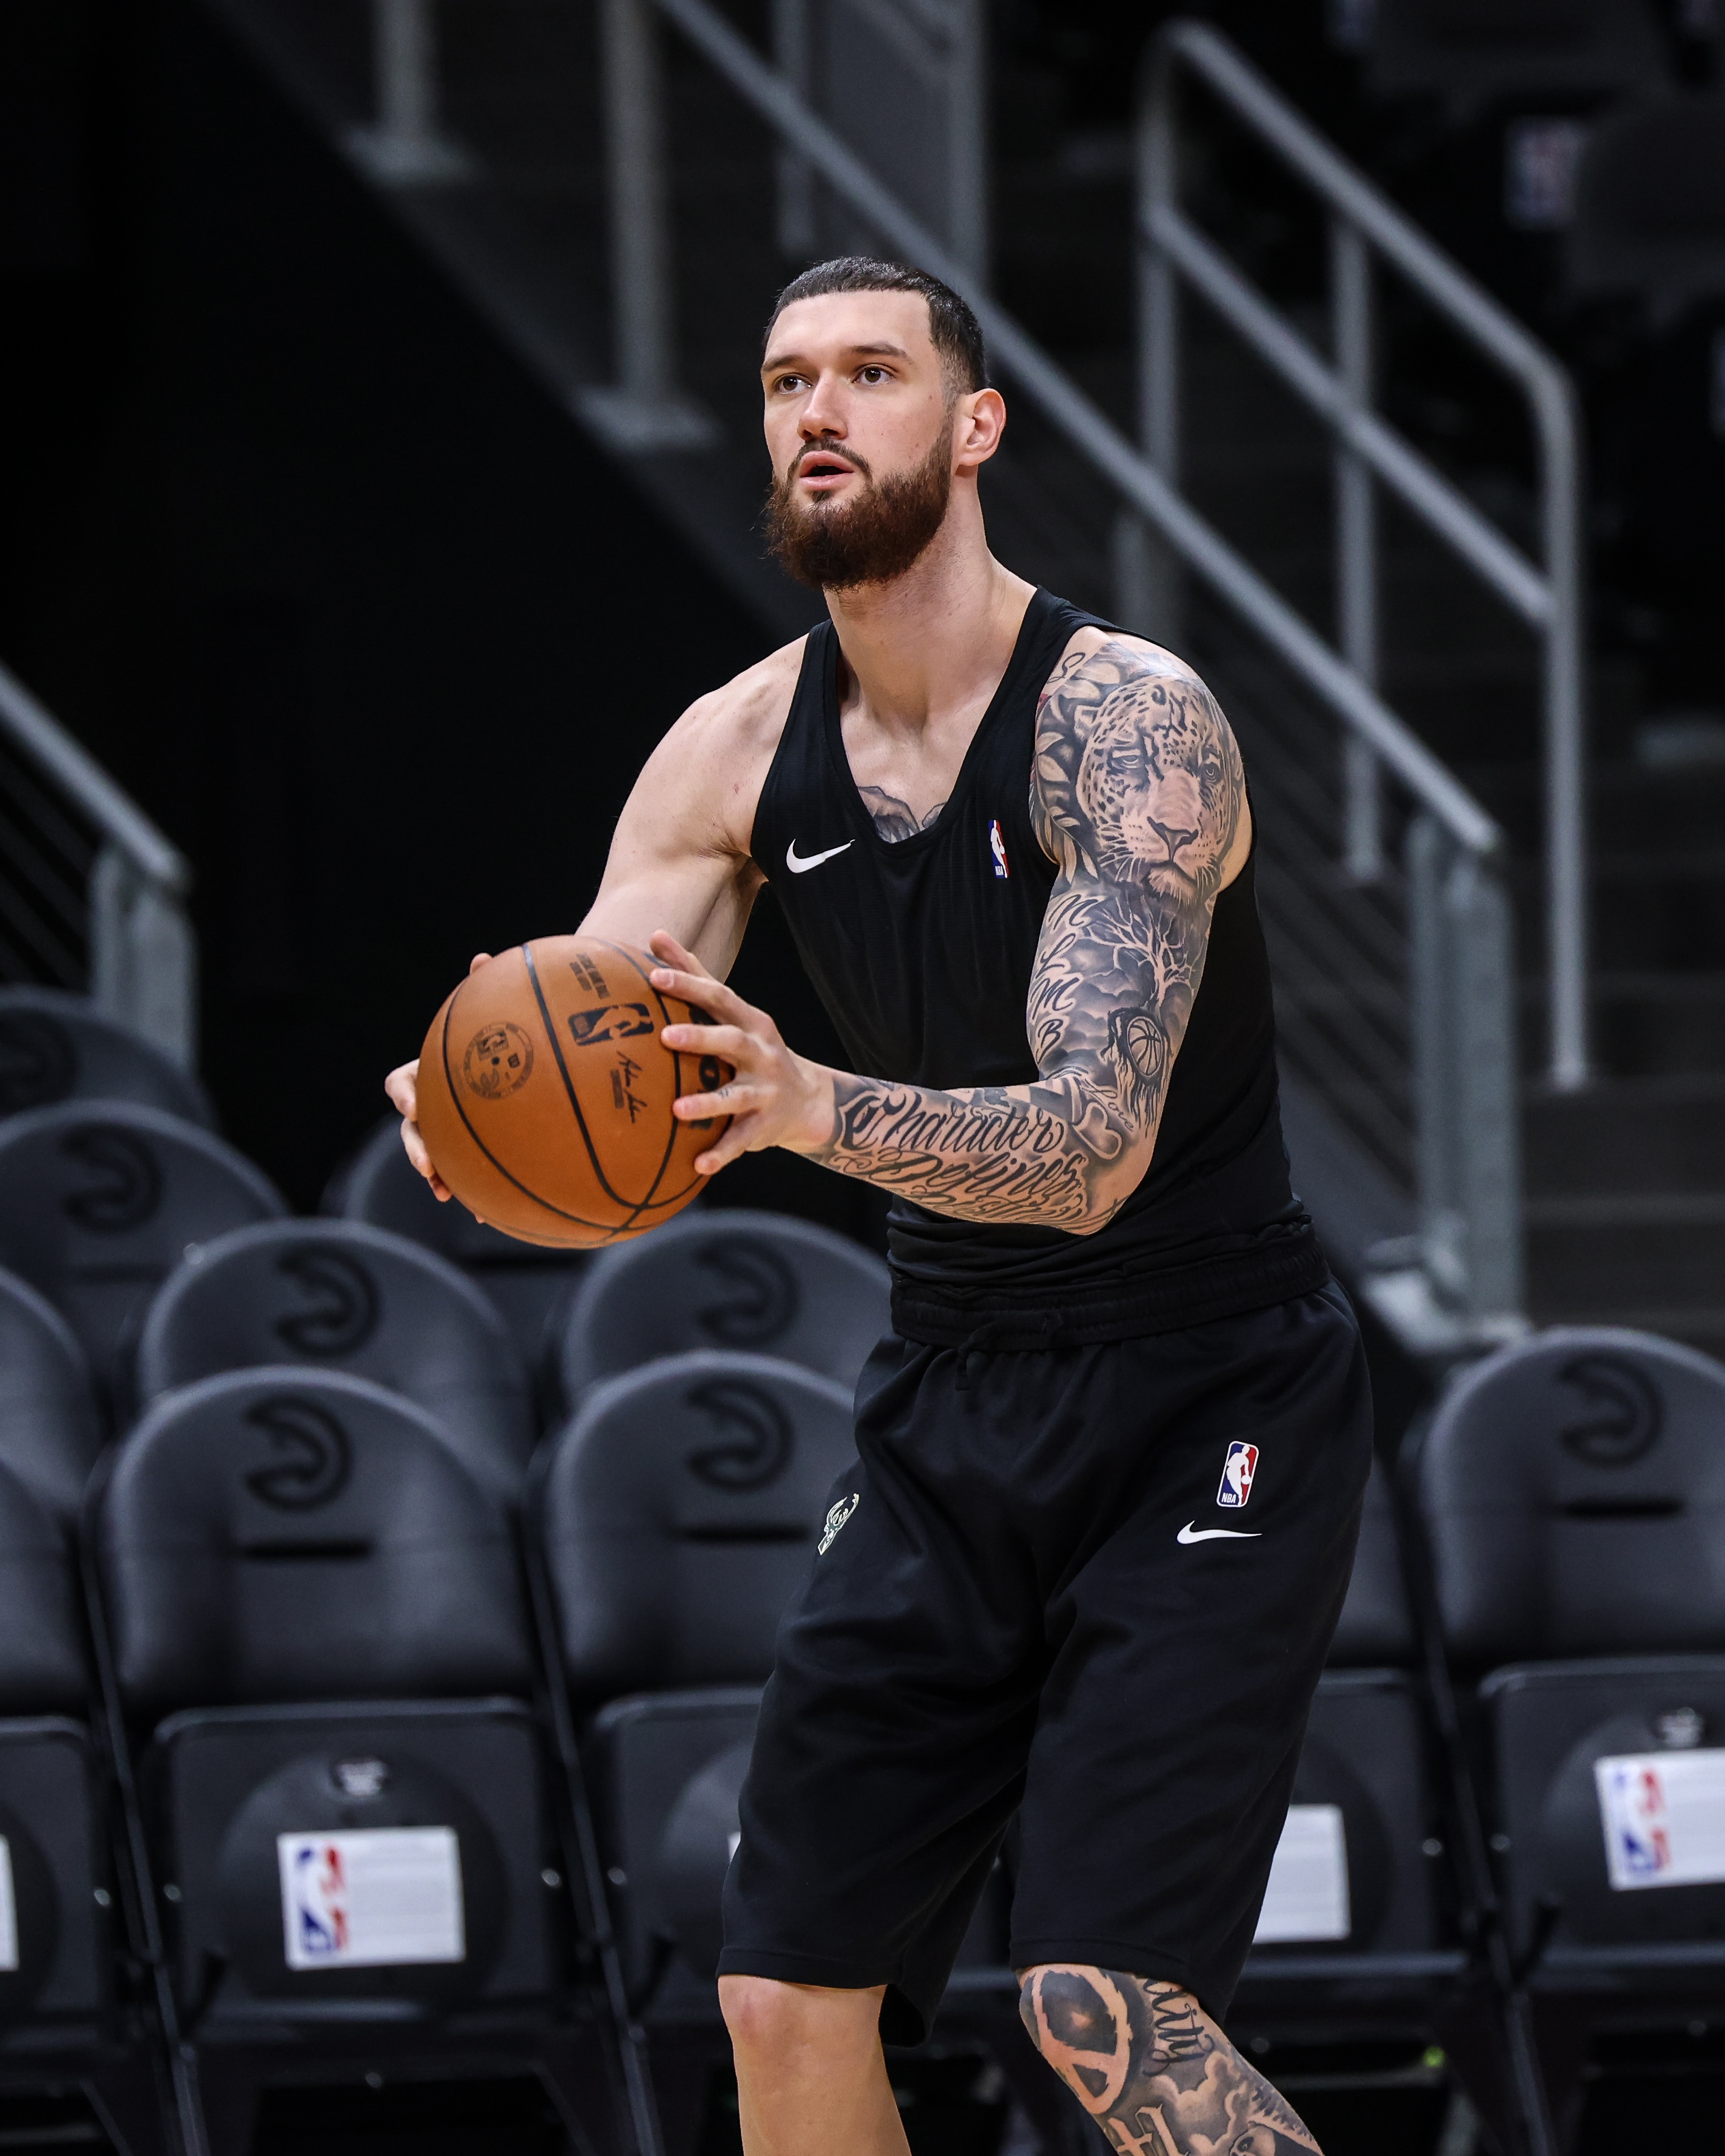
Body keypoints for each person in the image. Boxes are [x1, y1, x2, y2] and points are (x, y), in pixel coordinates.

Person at [387, 256, 1372, 2156]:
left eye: (869, 372)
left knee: (1101, 1997)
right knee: (783, 1993)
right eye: (784, 382)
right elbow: (599, 1046)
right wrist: (472, 1106)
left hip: (1208, 1382)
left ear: (975, 425)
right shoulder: (732, 749)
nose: (818, 412)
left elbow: (1089, 1151)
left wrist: (806, 1104)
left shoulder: (1127, 725)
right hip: (954, 1388)